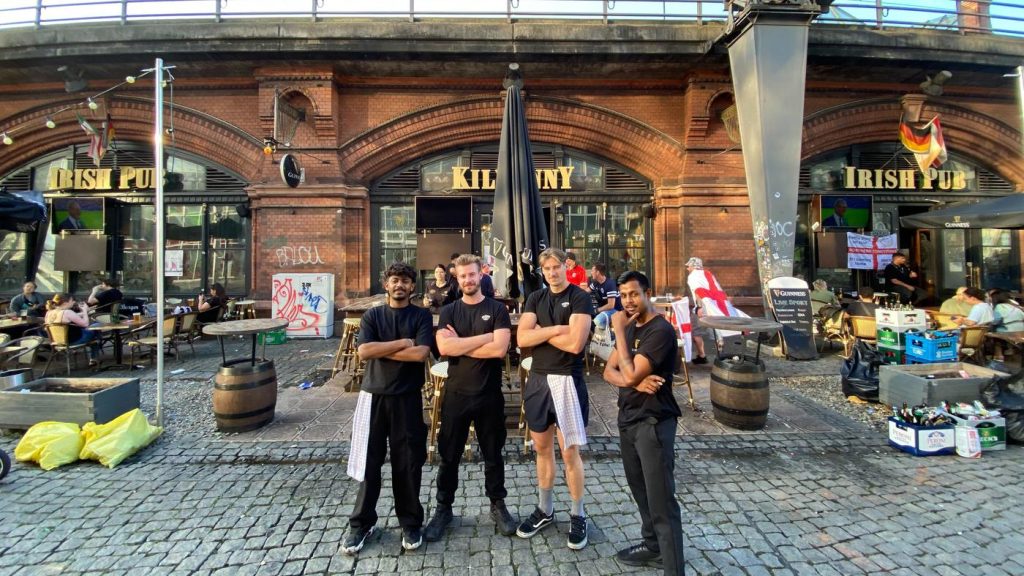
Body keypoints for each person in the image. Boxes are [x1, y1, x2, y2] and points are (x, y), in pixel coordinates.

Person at [424, 254, 517, 541]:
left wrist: (460, 344)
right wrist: (484, 338)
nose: (468, 280)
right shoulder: (450, 311)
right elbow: (444, 348)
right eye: (462, 276)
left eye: (472, 275)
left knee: (493, 454)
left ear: (481, 275)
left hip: (489, 393)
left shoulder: (497, 309)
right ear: (457, 278)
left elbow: (499, 350)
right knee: (448, 455)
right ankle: (443, 509)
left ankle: (497, 504)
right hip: (456, 394)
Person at [342, 262, 433, 555]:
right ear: (386, 284)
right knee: (368, 463)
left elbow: (421, 354)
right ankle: (362, 523)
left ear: (412, 286)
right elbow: (365, 351)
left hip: (407, 397)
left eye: (405, 281)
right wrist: (402, 343)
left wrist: (385, 348)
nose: (400, 285)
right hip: (373, 396)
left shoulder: (420, 315)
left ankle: (410, 522)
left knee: (408, 463)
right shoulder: (373, 315)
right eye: (395, 280)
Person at [603, 271, 684, 575]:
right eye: (623, 295)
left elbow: (628, 370)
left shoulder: (659, 331)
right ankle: (653, 547)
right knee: (640, 490)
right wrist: (633, 381)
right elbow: (608, 372)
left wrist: (620, 334)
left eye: (634, 294)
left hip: (654, 423)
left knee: (661, 501)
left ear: (648, 293)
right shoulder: (632, 326)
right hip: (629, 419)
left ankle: (673, 567)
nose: (628, 301)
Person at [515, 247, 594, 550]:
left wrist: (542, 332)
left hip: (567, 381)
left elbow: (575, 345)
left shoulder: (580, 297)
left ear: (565, 266)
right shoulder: (535, 298)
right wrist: (558, 328)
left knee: (570, 452)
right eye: (546, 269)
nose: (551, 272)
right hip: (538, 380)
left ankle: (578, 513)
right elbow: (522, 339)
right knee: (542, 448)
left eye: (556, 267)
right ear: (542, 272)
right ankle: (545, 509)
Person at [44, 293, 100, 366]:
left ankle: (93, 354)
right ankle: (94, 358)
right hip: (73, 341)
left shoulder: (49, 312)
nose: (74, 302)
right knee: (96, 326)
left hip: (56, 342)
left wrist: (84, 313)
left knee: (94, 335)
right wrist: (85, 311)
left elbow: (73, 316)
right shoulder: (67, 312)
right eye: (72, 300)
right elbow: (85, 324)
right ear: (65, 302)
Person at [589, 262, 622, 336]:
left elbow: (611, 305)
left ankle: (611, 338)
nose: (591, 273)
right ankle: (601, 339)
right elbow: (585, 292)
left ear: (597, 272)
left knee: (598, 321)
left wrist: (597, 310)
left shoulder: (610, 284)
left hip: (616, 309)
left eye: (592, 271)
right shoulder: (595, 283)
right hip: (604, 309)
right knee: (586, 319)